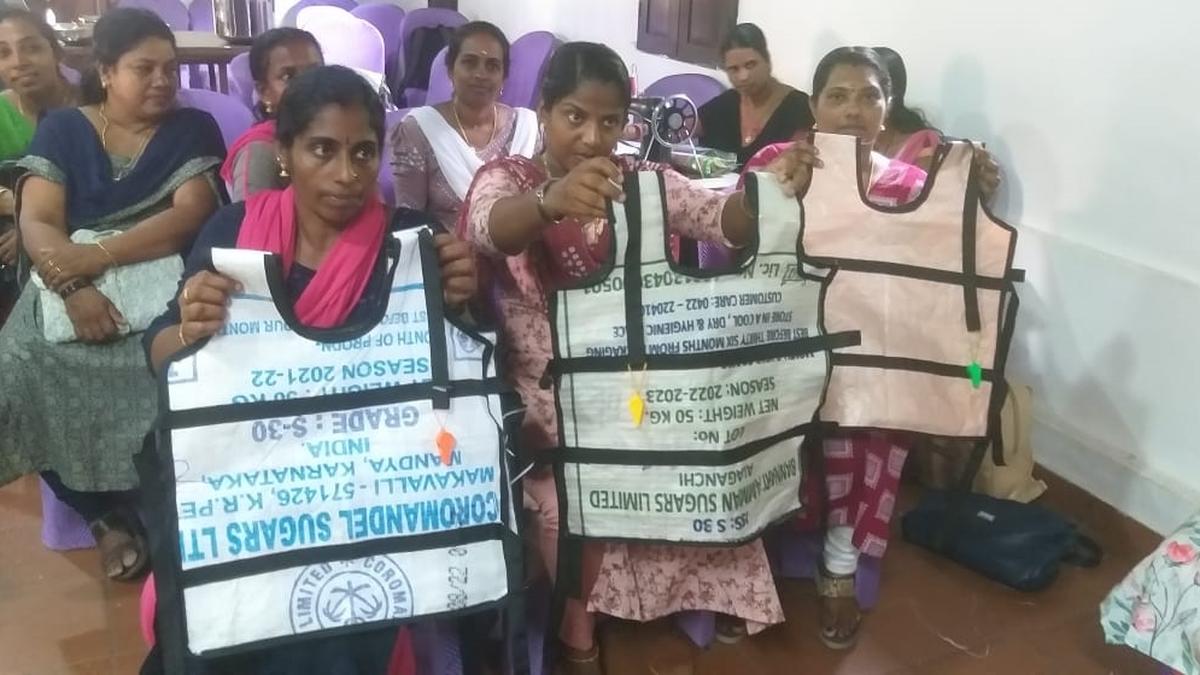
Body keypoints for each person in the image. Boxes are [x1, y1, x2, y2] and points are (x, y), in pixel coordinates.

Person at [459, 41, 821, 675]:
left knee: (714, 444)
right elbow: (487, 230)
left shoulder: (641, 181)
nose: (592, 137)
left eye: (609, 120)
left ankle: (704, 596)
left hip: (638, 380)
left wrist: (769, 188)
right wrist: (551, 201)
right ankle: (579, 633)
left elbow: (723, 220)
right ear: (543, 112)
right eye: (574, 117)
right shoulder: (509, 177)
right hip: (549, 389)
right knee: (570, 491)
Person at [143, 64, 477, 675]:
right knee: (223, 597)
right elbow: (159, 353)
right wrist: (189, 330)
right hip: (244, 468)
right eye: (323, 149)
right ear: (286, 153)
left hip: (367, 479)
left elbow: (463, 367)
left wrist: (460, 300)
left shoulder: (410, 244)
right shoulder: (235, 233)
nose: (347, 174)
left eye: (362, 152)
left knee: (333, 612)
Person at [744, 45, 1001, 651]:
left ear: (888, 111)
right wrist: (780, 191)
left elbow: (947, 264)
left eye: (869, 97)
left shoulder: (913, 184)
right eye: (838, 95)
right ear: (814, 106)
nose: (854, 109)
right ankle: (749, 562)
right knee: (766, 433)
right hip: (783, 343)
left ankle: (839, 565)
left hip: (870, 354)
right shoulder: (779, 163)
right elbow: (730, 235)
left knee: (873, 427)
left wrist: (972, 197)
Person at [0, 7, 225, 581]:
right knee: (17, 364)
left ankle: (162, 504)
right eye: (143, 69)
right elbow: (39, 221)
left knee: (173, 356)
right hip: (66, 281)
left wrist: (98, 255)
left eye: (170, 69)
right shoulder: (65, 129)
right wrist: (74, 285)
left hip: (159, 276)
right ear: (104, 71)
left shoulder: (190, 129)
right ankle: (102, 517)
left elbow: (190, 214)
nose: (162, 81)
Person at [391, 21, 537, 230]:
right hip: (447, 258)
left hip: (521, 256)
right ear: (450, 70)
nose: (481, 74)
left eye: (492, 66)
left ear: (504, 77)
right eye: (470, 63)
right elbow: (410, 225)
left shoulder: (527, 129)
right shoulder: (419, 130)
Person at [0, 7, 77, 304]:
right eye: (4, 53)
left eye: (32, 48)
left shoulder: (92, 110)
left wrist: (28, 227)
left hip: (75, 236)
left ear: (57, 53)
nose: (19, 63)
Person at [219, 27, 323, 201]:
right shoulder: (260, 152)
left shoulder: (341, 132)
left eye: (315, 71)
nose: (308, 84)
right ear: (264, 91)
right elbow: (251, 223)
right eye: (288, 76)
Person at [698, 23, 814, 168]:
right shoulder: (728, 102)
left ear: (768, 62)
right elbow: (684, 127)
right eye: (734, 69)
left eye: (750, 65)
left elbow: (798, 163)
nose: (743, 77)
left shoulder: (798, 106)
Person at [872, 46, 941, 170]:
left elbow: (925, 188)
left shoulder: (924, 143)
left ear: (892, 96)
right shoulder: (840, 142)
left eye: (870, 95)